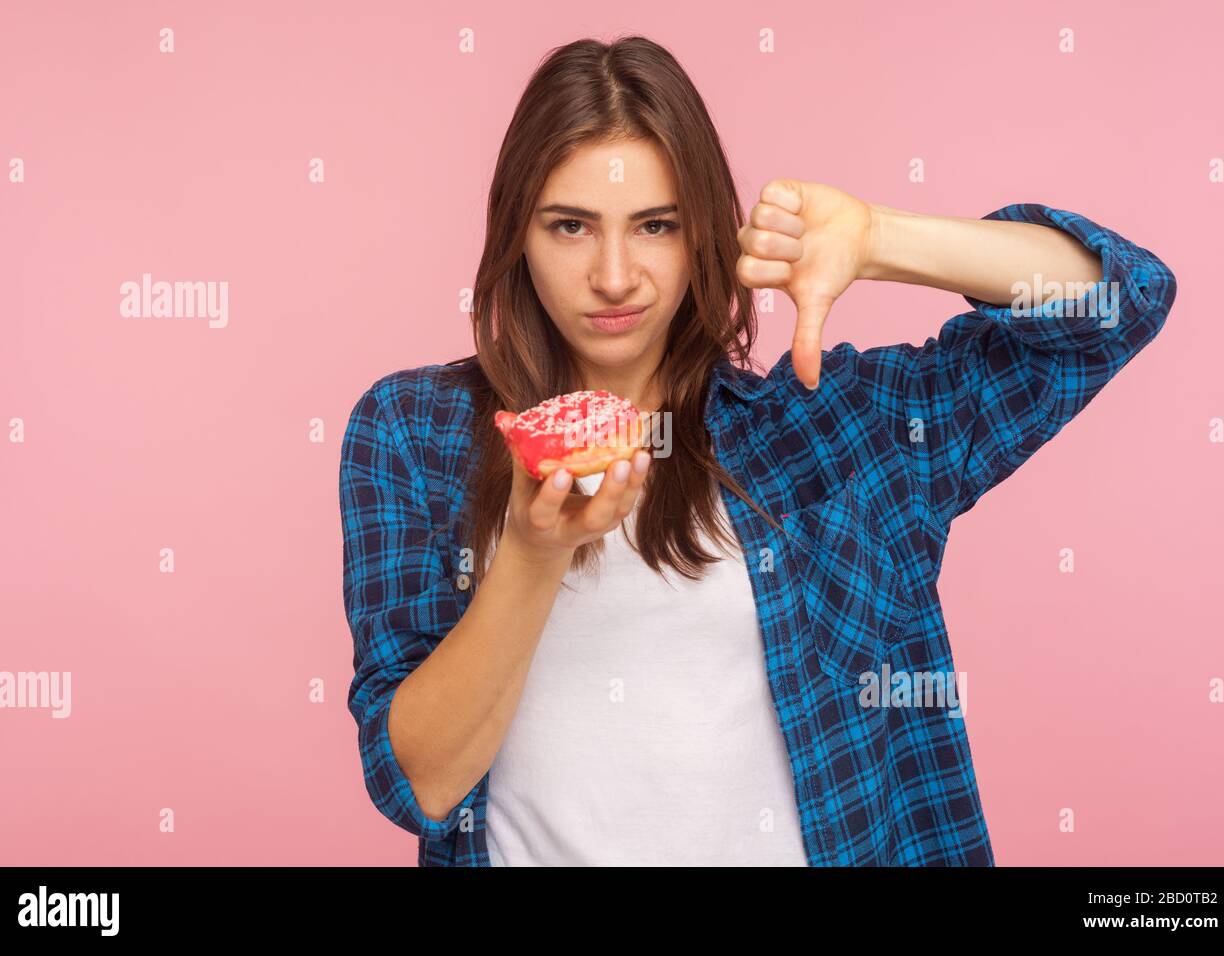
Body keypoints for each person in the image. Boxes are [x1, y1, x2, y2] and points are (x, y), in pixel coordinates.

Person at [338, 35, 1177, 867]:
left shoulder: (831, 433)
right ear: (517, 234)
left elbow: (1125, 300)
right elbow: (419, 783)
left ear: (704, 232)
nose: (616, 275)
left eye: (656, 225)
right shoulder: (415, 433)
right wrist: (530, 552)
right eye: (571, 226)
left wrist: (879, 238)